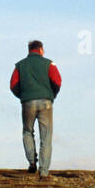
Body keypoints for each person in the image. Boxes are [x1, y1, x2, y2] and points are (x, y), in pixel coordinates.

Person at [10, 40, 61, 178]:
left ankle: (32, 162)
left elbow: (13, 85)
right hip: (46, 102)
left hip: (27, 102)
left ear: (29, 50)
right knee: (46, 136)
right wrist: (52, 95)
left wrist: (23, 95)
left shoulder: (20, 65)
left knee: (27, 131)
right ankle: (43, 171)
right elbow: (57, 81)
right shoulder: (49, 64)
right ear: (40, 50)